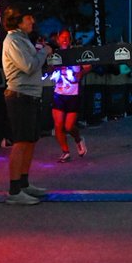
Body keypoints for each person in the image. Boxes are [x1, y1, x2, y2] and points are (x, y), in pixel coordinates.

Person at [2, 6, 53, 205]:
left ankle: (24, 183)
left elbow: (33, 66)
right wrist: (45, 52)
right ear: (18, 21)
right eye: (29, 18)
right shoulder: (13, 40)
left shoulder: (23, 39)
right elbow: (29, 65)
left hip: (30, 95)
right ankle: (14, 191)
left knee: (30, 141)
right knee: (21, 142)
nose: (32, 21)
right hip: (19, 95)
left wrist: (44, 59)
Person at [47, 29, 89, 163]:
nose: (64, 40)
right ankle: (65, 152)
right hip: (59, 93)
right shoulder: (54, 54)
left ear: (70, 40)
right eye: (62, 37)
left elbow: (88, 65)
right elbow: (48, 69)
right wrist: (53, 69)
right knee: (58, 125)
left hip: (73, 93)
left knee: (69, 127)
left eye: (67, 38)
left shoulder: (76, 53)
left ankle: (78, 139)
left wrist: (80, 74)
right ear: (58, 40)